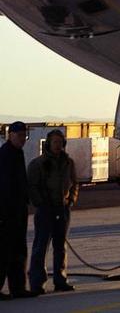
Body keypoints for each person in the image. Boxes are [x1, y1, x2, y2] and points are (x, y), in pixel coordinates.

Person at [27, 129, 78, 294]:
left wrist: (71, 200)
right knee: (41, 246)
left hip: (62, 208)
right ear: (48, 144)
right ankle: (37, 282)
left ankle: (60, 279)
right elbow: (32, 186)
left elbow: (75, 183)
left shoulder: (68, 163)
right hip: (45, 210)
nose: (57, 145)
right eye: (54, 142)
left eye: (60, 142)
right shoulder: (38, 164)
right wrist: (40, 203)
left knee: (60, 246)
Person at [0, 122, 34, 299]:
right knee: (4, 251)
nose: (23, 139)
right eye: (20, 135)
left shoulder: (17, 153)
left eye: (24, 136)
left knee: (18, 250)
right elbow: (5, 186)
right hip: (6, 213)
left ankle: (18, 287)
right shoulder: (4, 155)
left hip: (19, 211)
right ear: (10, 135)